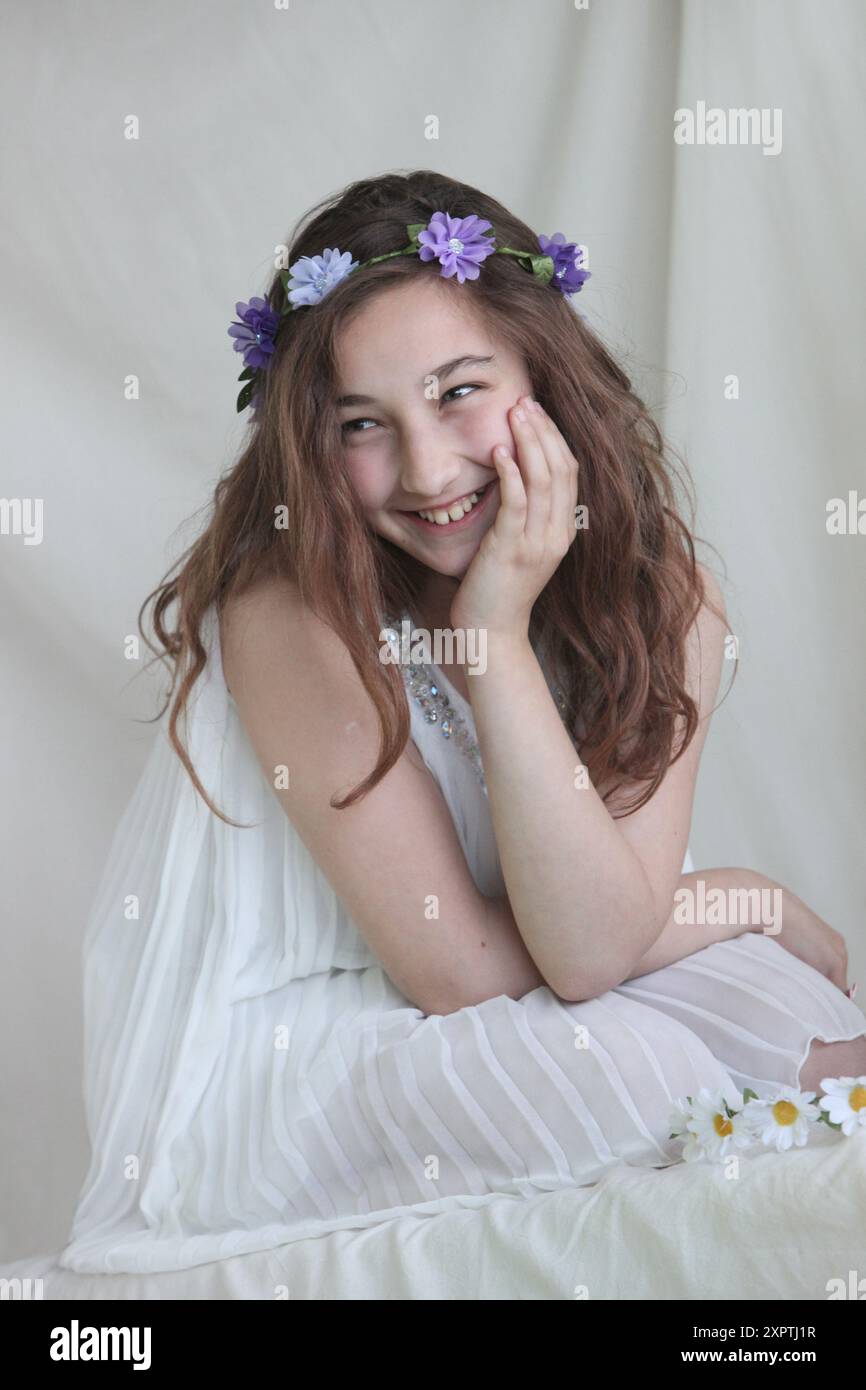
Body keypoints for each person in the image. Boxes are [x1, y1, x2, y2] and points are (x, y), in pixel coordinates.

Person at [58, 170, 866, 1275]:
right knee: (635, 1078)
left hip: (534, 965)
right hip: (309, 1038)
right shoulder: (291, 617)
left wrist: (717, 930)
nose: (429, 470)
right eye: (362, 425)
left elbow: (592, 937)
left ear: (544, 370)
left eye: (457, 391)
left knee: (804, 1026)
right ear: (309, 442)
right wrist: (740, 897)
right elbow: (486, 969)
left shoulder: (663, 594)